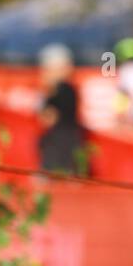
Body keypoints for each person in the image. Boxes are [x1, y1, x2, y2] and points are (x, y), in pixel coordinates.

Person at [36, 43, 87, 174]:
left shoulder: (61, 91)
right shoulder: (69, 90)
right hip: (67, 148)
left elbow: (48, 119)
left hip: (60, 151)